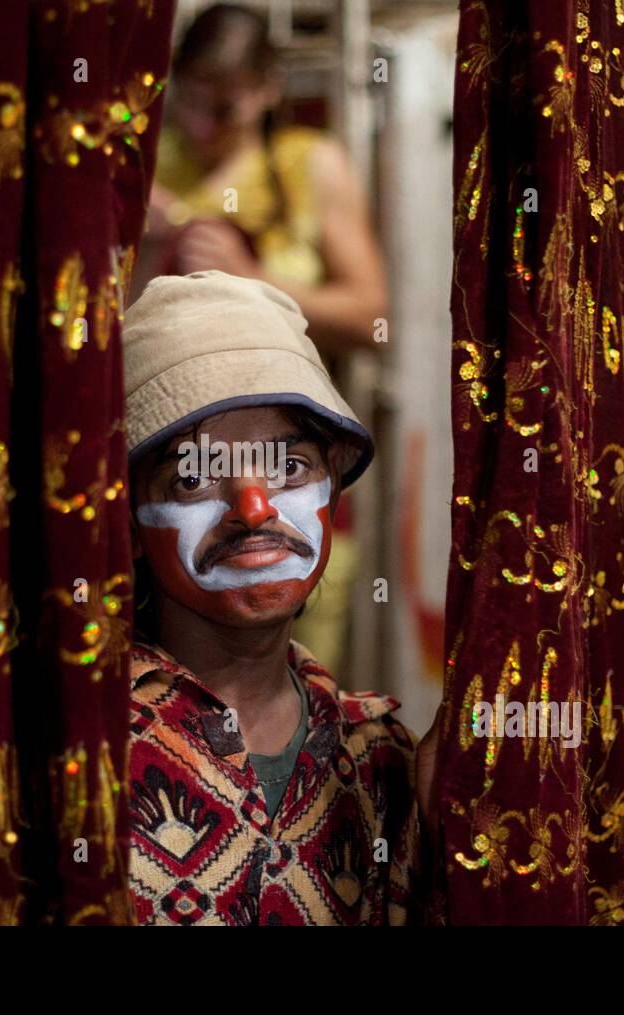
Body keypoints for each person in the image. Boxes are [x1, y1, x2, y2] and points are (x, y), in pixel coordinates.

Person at [123, 270, 422, 925]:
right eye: (198, 476)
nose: (254, 508)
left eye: (287, 467)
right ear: (130, 521)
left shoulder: (383, 758)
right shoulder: (85, 744)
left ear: (333, 490)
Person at [134, 2, 389, 680]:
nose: (202, 126)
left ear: (270, 89)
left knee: (293, 671)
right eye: (188, 102)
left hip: (287, 473)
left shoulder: (311, 165)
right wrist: (136, 240)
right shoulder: (147, 165)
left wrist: (255, 279)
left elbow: (373, 317)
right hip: (178, 476)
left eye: (227, 108)